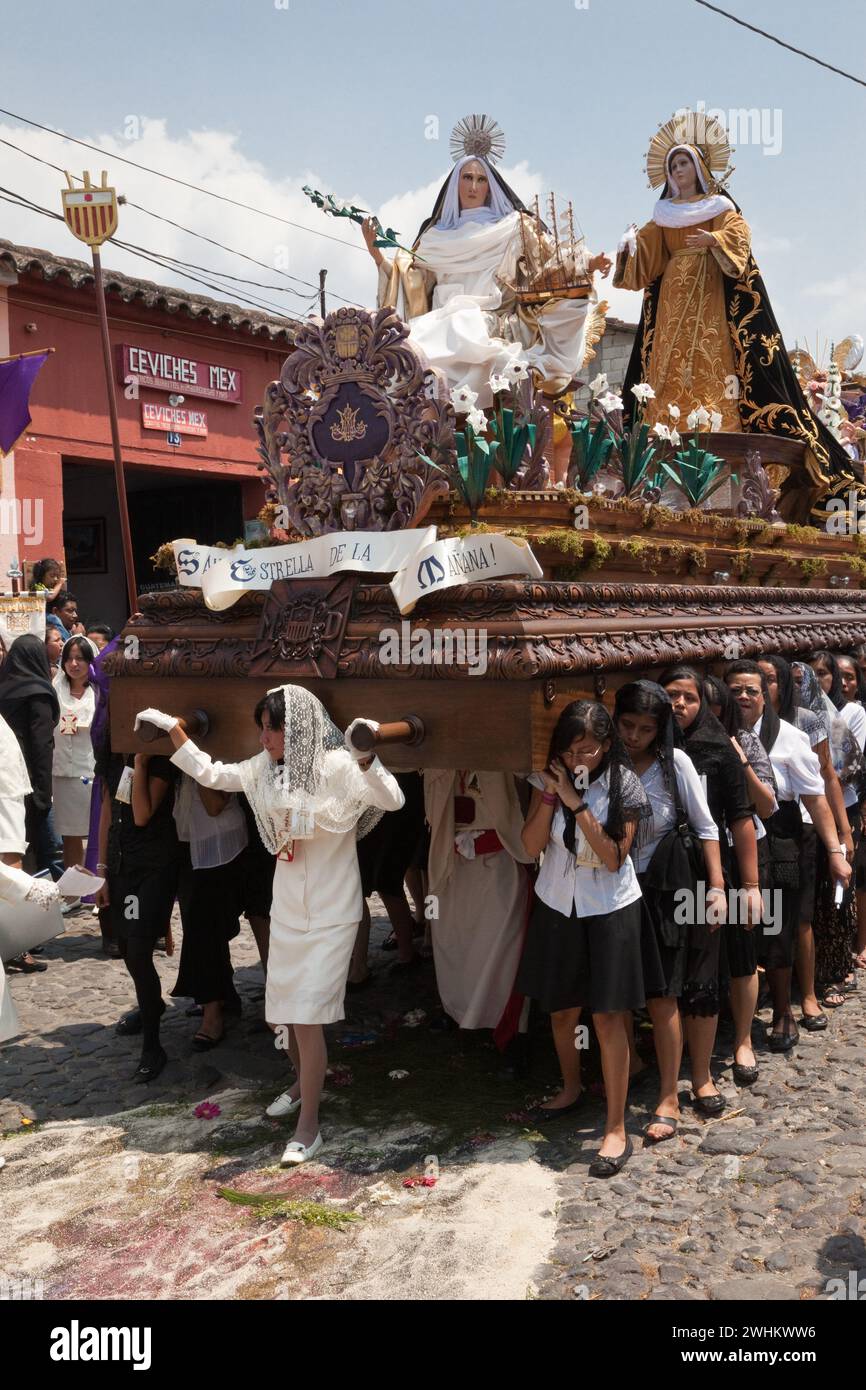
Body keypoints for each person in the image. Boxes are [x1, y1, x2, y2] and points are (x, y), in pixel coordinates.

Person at [137, 687, 404, 1166]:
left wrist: (366, 758)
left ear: (298, 726)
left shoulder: (337, 766)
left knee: (306, 1015)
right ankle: (302, 1085)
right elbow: (215, 773)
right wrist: (172, 731)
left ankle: (310, 1127)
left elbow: (393, 798)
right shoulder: (266, 770)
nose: (264, 738)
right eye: (260, 727)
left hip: (331, 909)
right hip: (287, 908)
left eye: (273, 728)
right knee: (281, 1011)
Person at [614, 116, 850, 518]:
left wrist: (714, 240)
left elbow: (738, 244)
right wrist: (629, 246)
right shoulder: (663, 215)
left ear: (700, 169)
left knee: (710, 366)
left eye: (684, 164)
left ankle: (721, 477)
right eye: (672, 167)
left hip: (709, 297)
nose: (677, 172)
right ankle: (665, 456)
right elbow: (646, 262)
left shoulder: (720, 209)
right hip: (672, 300)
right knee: (667, 369)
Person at [366, 123, 611, 405]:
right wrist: (378, 258)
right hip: (437, 317)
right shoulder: (433, 237)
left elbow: (550, 258)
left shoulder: (513, 229)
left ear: (490, 186)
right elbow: (410, 280)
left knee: (460, 326)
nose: (473, 186)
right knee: (412, 346)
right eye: (467, 177)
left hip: (487, 317)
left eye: (481, 179)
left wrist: (589, 262)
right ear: (455, 183)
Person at [518, 700, 651, 1177]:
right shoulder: (547, 780)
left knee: (609, 1017)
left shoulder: (623, 784)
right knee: (560, 1009)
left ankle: (615, 1127)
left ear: (607, 746)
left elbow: (615, 856)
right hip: (560, 901)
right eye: (571, 750)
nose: (579, 760)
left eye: (588, 750)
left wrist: (578, 806)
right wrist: (553, 797)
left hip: (609, 907)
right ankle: (572, 1087)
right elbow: (530, 846)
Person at [614, 681, 724, 1140]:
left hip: (664, 890)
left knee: (664, 995)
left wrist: (718, 888)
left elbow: (705, 825)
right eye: (626, 725)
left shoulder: (673, 763)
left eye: (645, 728)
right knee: (615, 994)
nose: (634, 736)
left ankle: (668, 1095)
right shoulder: (603, 762)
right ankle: (625, 1073)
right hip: (612, 890)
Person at [724, 660, 851, 1051]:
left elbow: (816, 800)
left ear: (767, 695)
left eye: (752, 690)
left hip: (781, 836)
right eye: (735, 690)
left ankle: (783, 1010)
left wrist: (835, 849)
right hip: (732, 834)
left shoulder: (791, 737)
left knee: (779, 927)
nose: (743, 697)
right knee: (734, 923)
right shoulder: (719, 732)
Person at [659, 665, 761, 1107]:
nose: (679, 704)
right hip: (660, 875)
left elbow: (740, 820)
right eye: (672, 696)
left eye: (690, 697)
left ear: (703, 703)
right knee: (669, 974)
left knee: (721, 967)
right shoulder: (643, 747)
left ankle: (721, 1059)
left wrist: (751, 885)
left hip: (713, 873)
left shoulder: (719, 749)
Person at [759, 655, 851, 1028]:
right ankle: (773, 997)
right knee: (768, 919)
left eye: (770, 679)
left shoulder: (803, 722)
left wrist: (842, 836)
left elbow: (825, 778)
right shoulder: (739, 724)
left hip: (801, 827)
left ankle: (809, 993)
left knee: (800, 919)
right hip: (757, 832)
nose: (765, 687)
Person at [94, 736, 182, 1084]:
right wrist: (101, 870)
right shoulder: (110, 752)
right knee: (129, 950)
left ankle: (153, 1044)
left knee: (142, 951)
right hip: (121, 865)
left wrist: (141, 762)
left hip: (154, 865)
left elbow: (142, 815)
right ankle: (152, 1008)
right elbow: (107, 810)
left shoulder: (159, 758)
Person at [703, 673, 777, 1079]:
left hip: (744, 853)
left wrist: (737, 758)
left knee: (743, 949)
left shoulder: (744, 739)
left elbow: (766, 806)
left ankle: (744, 1040)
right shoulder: (679, 744)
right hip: (698, 857)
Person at [424, 768, 532, 1039]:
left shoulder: (501, 743)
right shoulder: (436, 756)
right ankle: (459, 1011)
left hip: (498, 864)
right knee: (454, 940)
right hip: (449, 864)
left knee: (500, 944)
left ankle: (506, 1025)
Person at [170, 774, 251, 1049]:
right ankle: (221, 996)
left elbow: (213, 805)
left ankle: (213, 1013)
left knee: (205, 928)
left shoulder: (220, 750)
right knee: (200, 924)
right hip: (187, 840)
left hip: (219, 843)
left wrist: (193, 758)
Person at [349, 771, 426, 987]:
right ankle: (362, 963)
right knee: (377, 880)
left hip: (401, 796)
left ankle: (419, 940)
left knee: (393, 877)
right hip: (374, 801)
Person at [0, 635, 63, 891]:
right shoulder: (38, 692)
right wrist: (43, 792)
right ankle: (51, 895)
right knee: (47, 845)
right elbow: (42, 744)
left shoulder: (4, 689)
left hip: (9, 778)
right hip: (26, 779)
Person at [52, 635, 97, 874]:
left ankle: (98, 887)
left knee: (98, 831)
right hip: (63, 772)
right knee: (70, 834)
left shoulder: (100, 691)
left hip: (92, 769)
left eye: (80, 658)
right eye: (68, 658)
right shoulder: (54, 690)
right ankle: (73, 890)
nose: (74, 664)